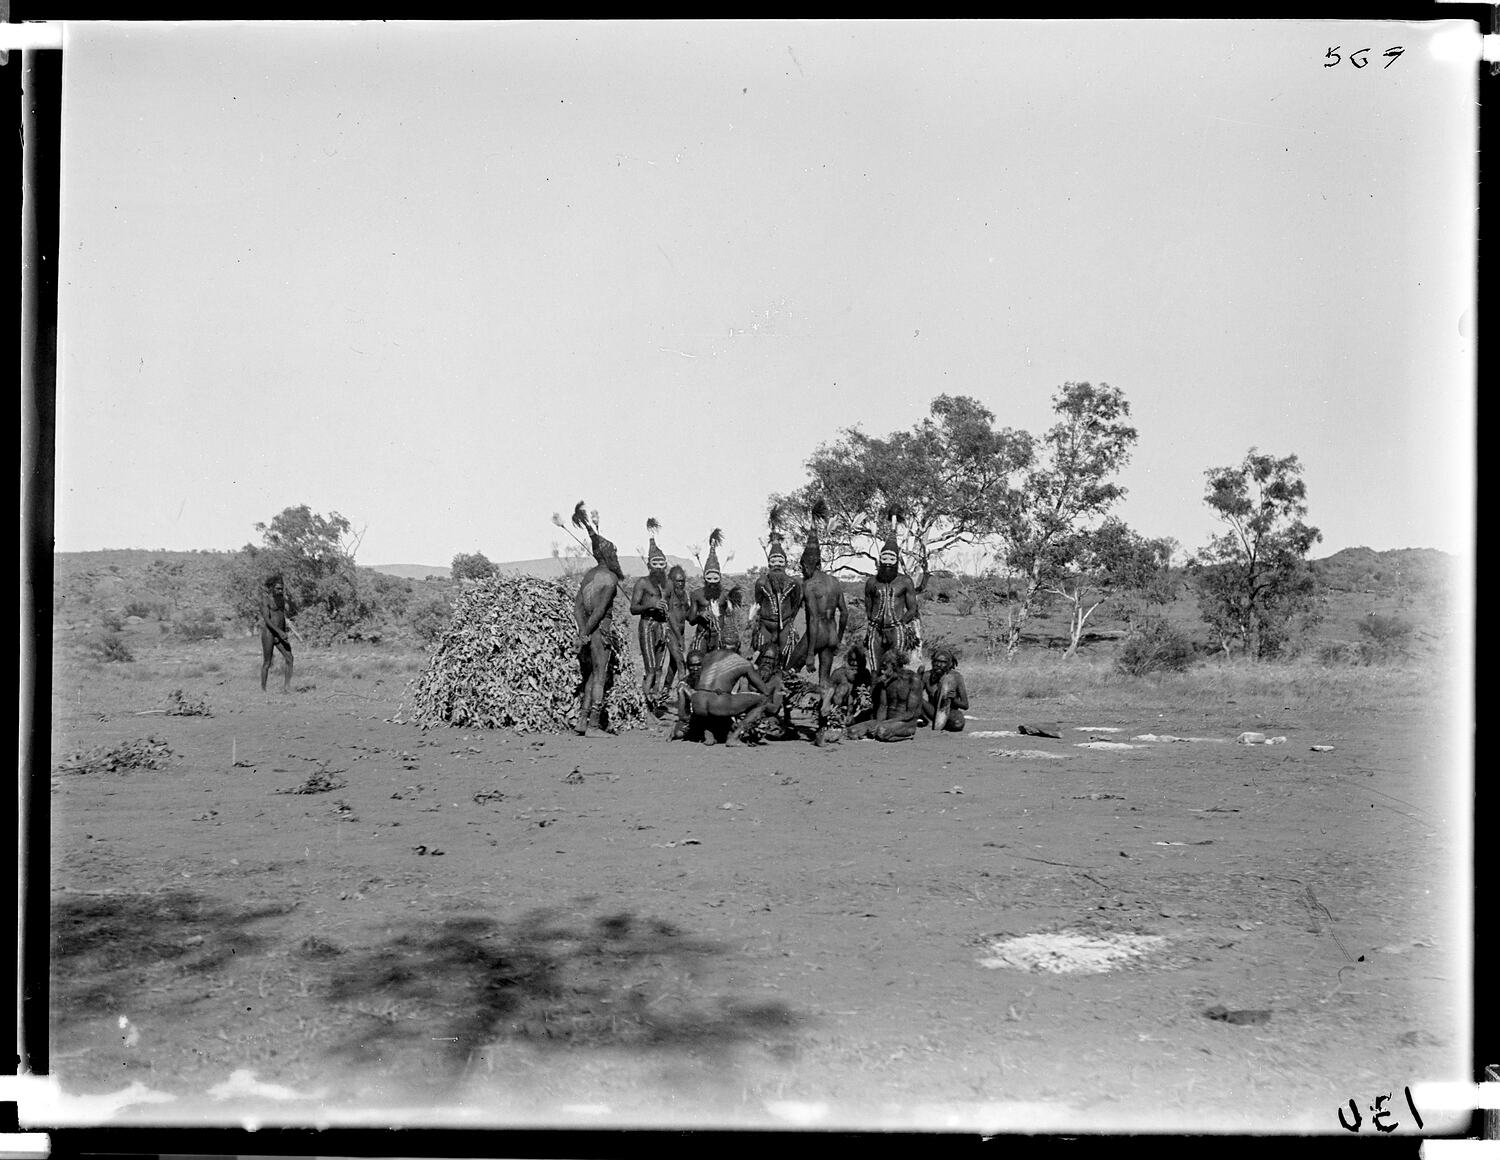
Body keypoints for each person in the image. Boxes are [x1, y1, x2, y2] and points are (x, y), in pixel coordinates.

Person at [570, 502, 626, 736]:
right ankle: (593, 724)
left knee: (591, 674)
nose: (615, 555)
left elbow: (578, 608)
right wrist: (588, 632)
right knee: (600, 674)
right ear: (608, 554)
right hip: (600, 631)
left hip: (588, 632)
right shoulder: (610, 579)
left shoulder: (589, 576)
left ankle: (582, 721)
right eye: (613, 551)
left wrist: (583, 632)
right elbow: (600, 611)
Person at [795, 513, 848, 745]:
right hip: (832, 634)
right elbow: (845, 613)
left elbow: (813, 620)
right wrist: (839, 639)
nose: (802, 568)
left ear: (812, 564)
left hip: (816, 635)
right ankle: (820, 732)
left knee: (790, 670)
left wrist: (808, 654)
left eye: (803, 565)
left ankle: (792, 714)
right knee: (824, 678)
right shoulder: (835, 582)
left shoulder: (810, 585)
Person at [669, 646, 784, 745]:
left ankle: (709, 732)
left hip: (699, 705)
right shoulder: (741, 662)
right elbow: (765, 691)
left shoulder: (708, 658)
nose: (695, 668)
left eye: (770, 659)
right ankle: (735, 737)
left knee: (716, 705)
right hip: (717, 705)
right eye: (766, 658)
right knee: (762, 700)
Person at [628, 522, 684, 711]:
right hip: (647, 626)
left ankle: (653, 706)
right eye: (655, 564)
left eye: (662, 563)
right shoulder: (642, 583)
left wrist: (676, 634)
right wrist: (651, 604)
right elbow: (633, 608)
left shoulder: (668, 585)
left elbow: (673, 611)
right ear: (649, 565)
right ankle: (644, 710)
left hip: (663, 627)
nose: (659, 567)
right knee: (650, 669)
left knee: (659, 669)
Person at [864, 523, 923, 672]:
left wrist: (901, 623)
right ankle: (871, 694)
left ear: (897, 560)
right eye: (885, 558)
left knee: (895, 670)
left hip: (897, 631)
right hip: (875, 631)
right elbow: (868, 606)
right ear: (880, 559)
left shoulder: (905, 581)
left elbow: (912, 608)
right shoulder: (872, 582)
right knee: (874, 670)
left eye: (892, 559)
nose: (888, 563)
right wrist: (873, 623)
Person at [751, 511, 803, 675]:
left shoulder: (793, 583)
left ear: (786, 563)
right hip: (765, 625)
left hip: (785, 624)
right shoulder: (761, 582)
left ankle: (785, 681)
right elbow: (759, 602)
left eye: (781, 561)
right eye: (774, 561)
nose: (777, 564)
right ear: (769, 563)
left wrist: (788, 621)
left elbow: (796, 604)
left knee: (788, 651)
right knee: (761, 652)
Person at [846, 651, 924, 741]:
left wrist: (882, 725)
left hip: (905, 724)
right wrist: (876, 724)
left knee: (882, 731)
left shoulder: (913, 680)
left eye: (885, 667)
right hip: (886, 723)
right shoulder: (886, 681)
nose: (882, 671)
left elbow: (910, 714)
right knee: (852, 731)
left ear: (893, 666)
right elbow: (883, 707)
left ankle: (907, 736)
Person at [688, 529, 742, 655]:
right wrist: (700, 615)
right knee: (697, 663)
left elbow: (732, 618)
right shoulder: (696, 594)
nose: (712, 581)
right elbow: (691, 619)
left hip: (720, 636)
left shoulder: (725, 595)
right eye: (709, 578)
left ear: (720, 578)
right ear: (704, 578)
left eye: (715, 578)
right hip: (702, 634)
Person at [920, 646, 969, 732]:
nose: (939, 665)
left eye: (943, 662)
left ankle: (942, 723)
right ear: (932, 662)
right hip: (931, 711)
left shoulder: (956, 677)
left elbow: (965, 705)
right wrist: (917, 678)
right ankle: (928, 721)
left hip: (950, 711)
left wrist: (953, 700)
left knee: (958, 724)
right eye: (937, 662)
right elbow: (915, 695)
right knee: (916, 698)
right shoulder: (927, 676)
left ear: (949, 664)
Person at [260, 574, 294, 693]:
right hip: (269, 634)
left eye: (282, 589)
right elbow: (267, 619)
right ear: (272, 588)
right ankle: (263, 690)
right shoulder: (266, 600)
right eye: (278, 588)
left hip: (280, 634)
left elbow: (282, 616)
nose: (280, 591)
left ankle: (287, 687)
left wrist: (285, 630)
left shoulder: (282, 600)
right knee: (267, 662)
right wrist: (279, 632)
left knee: (289, 658)